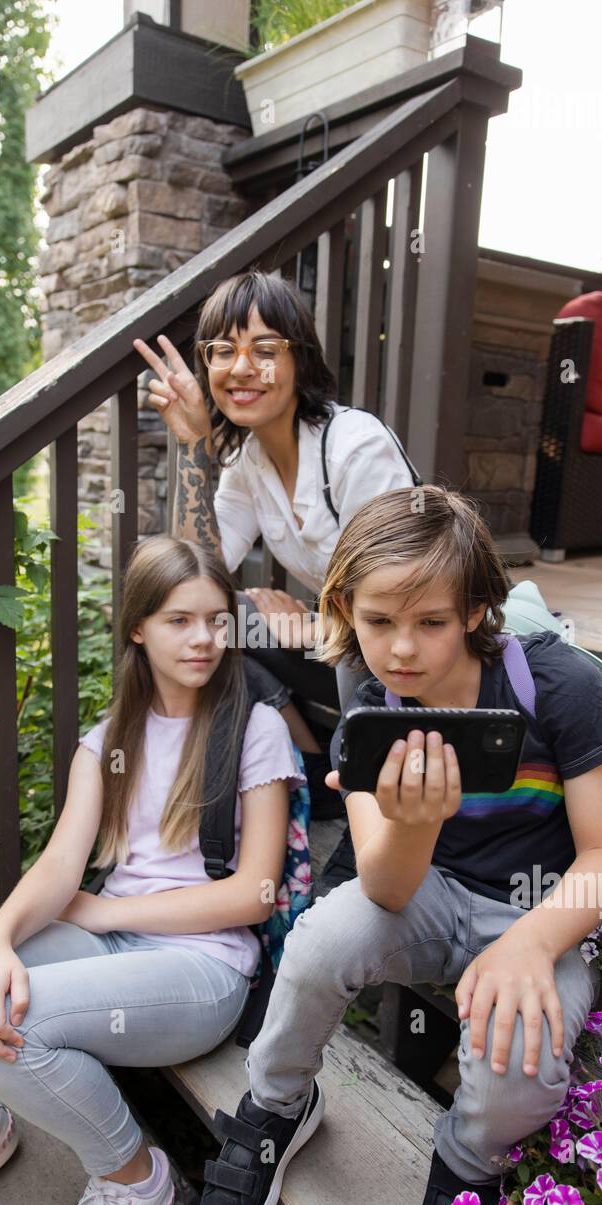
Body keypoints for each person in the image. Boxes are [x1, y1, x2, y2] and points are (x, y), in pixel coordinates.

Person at [193, 485, 602, 1205]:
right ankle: (275, 1105)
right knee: (319, 941)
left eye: (430, 622)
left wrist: (530, 946)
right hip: (426, 899)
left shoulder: (557, 687)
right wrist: (417, 818)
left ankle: (467, 1166)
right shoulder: (369, 721)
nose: (401, 649)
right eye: (377, 622)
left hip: (536, 916)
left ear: (473, 612)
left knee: (519, 1076)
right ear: (343, 609)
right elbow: (387, 889)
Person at [0, 536, 304, 1205]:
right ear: (137, 627)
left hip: (201, 967)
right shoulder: (109, 741)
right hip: (107, 949)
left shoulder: (252, 728)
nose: (203, 638)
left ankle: (132, 1180)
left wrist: (103, 916)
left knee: (13, 1027)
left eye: (214, 619)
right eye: (178, 620)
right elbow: (62, 864)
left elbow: (254, 892)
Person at [133, 268, 420, 814]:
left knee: (354, 652)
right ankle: (316, 772)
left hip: (405, 639)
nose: (242, 368)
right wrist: (193, 443)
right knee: (215, 620)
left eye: (265, 348)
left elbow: (403, 597)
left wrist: (315, 624)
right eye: (223, 350)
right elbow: (195, 575)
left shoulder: (355, 448)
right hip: (347, 636)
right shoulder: (247, 461)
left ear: (299, 360)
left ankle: (361, 797)